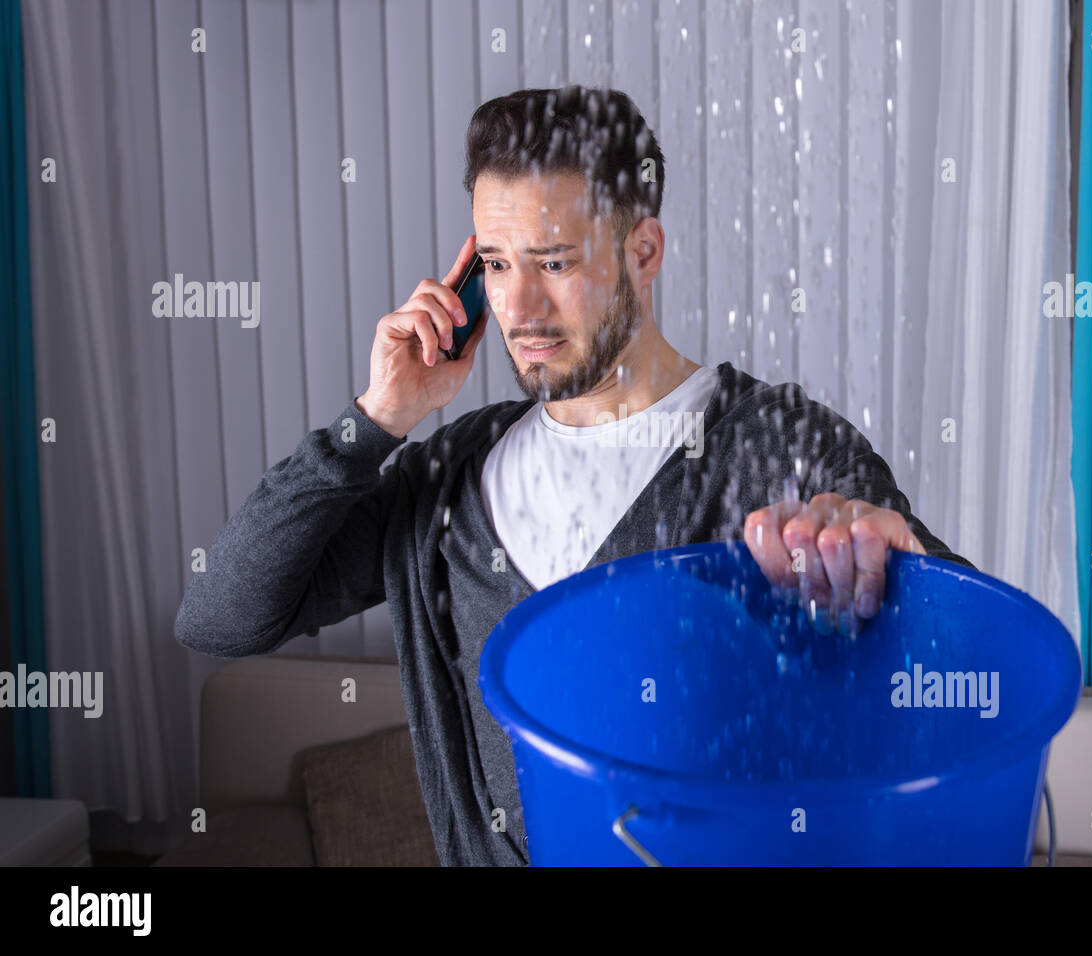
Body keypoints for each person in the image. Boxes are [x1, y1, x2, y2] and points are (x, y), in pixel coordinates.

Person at [174, 84, 972, 866]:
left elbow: (965, 670)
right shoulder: (449, 480)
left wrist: (902, 564)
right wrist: (374, 421)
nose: (518, 305)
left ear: (644, 250)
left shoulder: (779, 446)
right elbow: (219, 618)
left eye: (553, 261)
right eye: (494, 262)